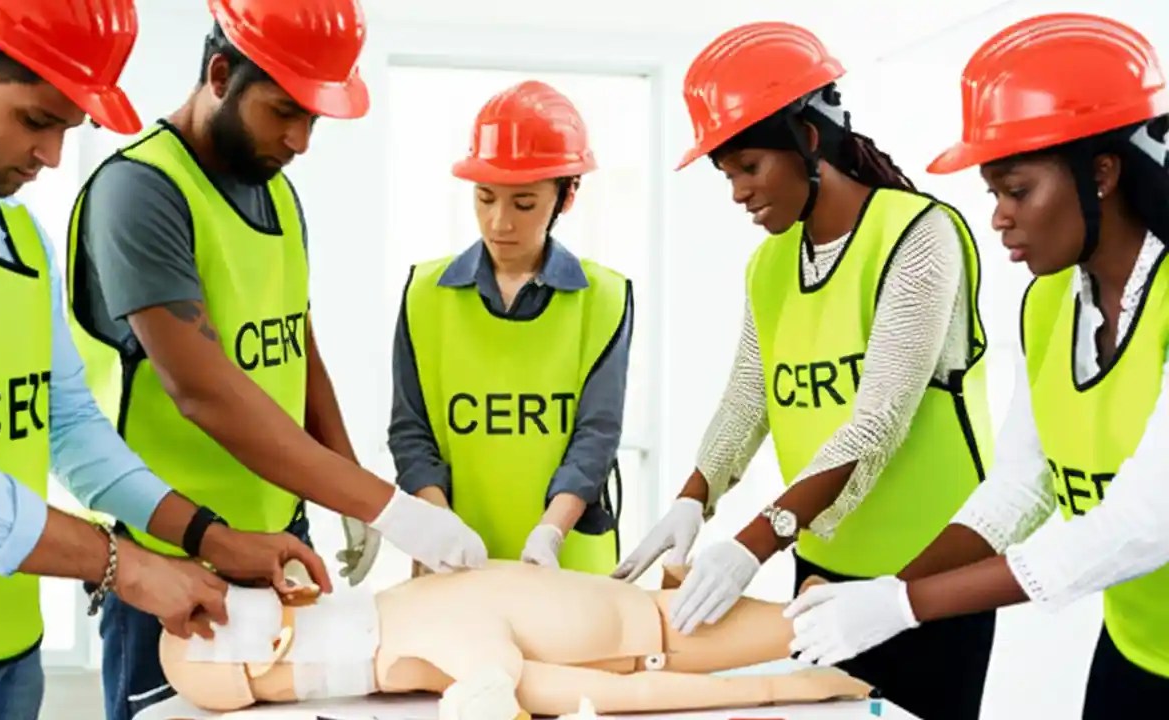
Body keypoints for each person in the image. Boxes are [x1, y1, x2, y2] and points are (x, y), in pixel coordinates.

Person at [0, 1, 330, 719]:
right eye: (37, 120)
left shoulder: (17, 235)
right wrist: (124, 566)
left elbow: (70, 427)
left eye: (68, 128)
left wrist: (209, 538)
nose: (51, 155)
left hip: (5, 655)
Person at [63, 0, 489, 717]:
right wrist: (388, 508)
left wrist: (345, 486)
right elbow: (201, 390)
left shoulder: (277, 193)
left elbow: (296, 345)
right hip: (172, 553)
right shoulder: (140, 192)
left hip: (280, 542)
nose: (300, 140)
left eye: (314, 118)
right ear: (219, 75)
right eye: (284, 111)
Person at [784, 13, 1169, 718]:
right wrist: (886, 594)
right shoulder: (1048, 305)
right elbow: (1021, 488)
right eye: (994, 193)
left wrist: (907, 603)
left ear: (1102, 173)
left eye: (1016, 190)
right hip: (1138, 652)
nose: (998, 217)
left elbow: (1142, 524)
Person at [613, 21, 996, 720]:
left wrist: (752, 545)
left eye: (749, 166)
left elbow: (879, 422)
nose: (737, 192)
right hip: (821, 561)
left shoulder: (918, 236)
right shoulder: (770, 264)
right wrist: (694, 497)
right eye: (727, 175)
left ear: (808, 139)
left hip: (936, 570)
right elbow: (748, 399)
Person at [386, 80, 634, 575]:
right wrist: (439, 527)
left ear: (567, 196)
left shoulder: (604, 297)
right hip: (451, 561)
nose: (499, 222)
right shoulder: (425, 293)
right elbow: (411, 432)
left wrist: (550, 532)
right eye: (485, 198)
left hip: (567, 559)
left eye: (523, 204)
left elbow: (596, 435)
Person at [152, 561, 872, 718]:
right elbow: (615, 694)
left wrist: (785, 685)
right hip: (642, 638)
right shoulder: (406, 656)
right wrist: (786, 688)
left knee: (816, 628)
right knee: (806, 637)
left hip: (655, 624)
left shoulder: (409, 631)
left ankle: (810, 618)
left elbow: (497, 662)